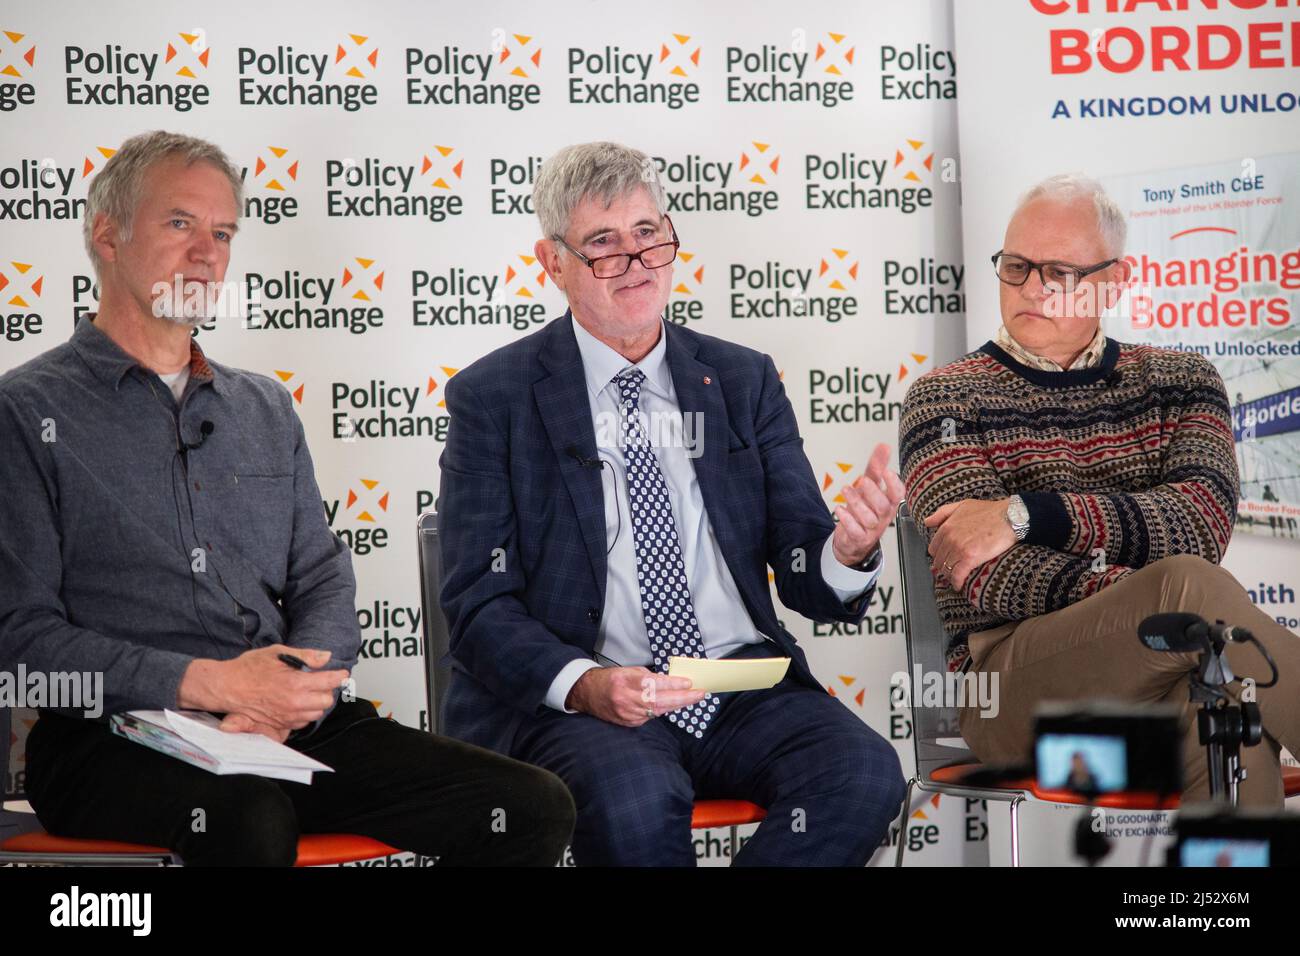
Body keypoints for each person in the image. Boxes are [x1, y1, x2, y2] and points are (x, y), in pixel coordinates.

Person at [0, 130, 574, 865]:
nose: (208, 252)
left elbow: (323, 574)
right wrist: (210, 683)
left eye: (224, 232)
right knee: (249, 818)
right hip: (111, 736)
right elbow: (21, 640)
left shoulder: (263, 407)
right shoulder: (26, 414)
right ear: (106, 235)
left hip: (286, 729)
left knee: (526, 805)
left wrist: (287, 696)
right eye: (181, 224)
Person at [436, 141, 908, 866]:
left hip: (736, 683)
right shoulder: (493, 398)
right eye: (604, 244)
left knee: (864, 772)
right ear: (552, 261)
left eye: (649, 235)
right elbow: (478, 603)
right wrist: (587, 685)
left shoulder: (740, 380)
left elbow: (808, 572)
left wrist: (846, 551)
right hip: (595, 699)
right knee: (631, 804)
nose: (636, 263)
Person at [898, 173, 1300, 807]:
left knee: (1226, 712)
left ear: (1114, 279)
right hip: (1008, 686)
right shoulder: (943, 398)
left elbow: (1198, 523)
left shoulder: (1182, 380)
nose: (1030, 287)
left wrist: (1025, 513)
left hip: (1169, 663)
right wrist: (1139, 597)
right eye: (1015, 266)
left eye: (1058, 272)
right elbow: (980, 569)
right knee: (1187, 588)